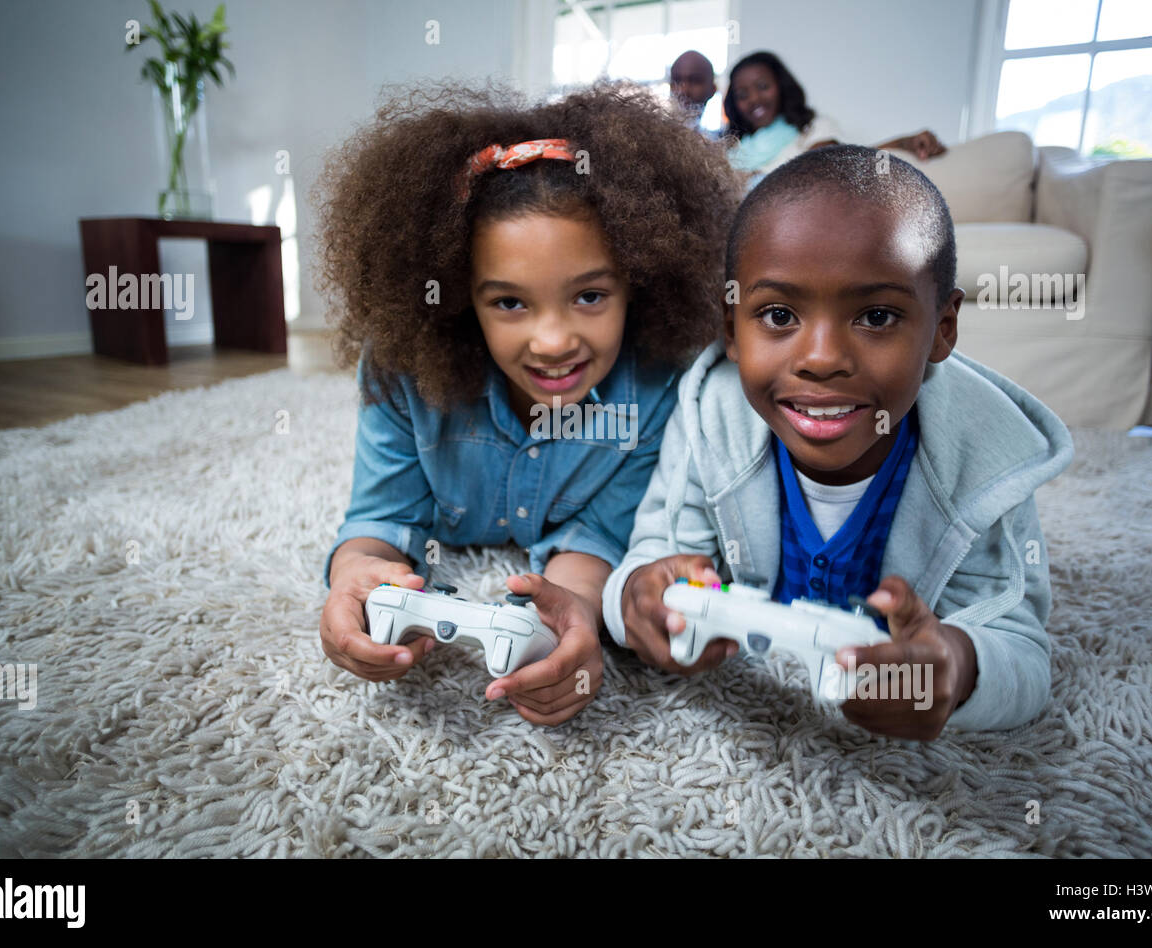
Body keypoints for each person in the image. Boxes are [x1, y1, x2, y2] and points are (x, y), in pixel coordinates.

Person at [602, 144, 1074, 738]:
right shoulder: (709, 416)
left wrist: (954, 667)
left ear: (942, 329)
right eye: (777, 315)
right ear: (731, 331)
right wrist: (634, 604)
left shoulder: (985, 458)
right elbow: (649, 561)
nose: (821, 359)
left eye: (876, 317)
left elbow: (1023, 654)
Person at [315, 82, 739, 726]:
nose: (553, 340)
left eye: (590, 296)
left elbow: (596, 539)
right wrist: (357, 578)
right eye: (510, 302)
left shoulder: (659, 386)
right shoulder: (405, 367)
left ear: (640, 281)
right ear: (461, 296)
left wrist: (570, 614)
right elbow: (381, 518)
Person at [725, 51, 946, 183]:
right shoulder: (733, 152)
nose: (753, 99)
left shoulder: (814, 129)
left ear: (781, 86)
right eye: (742, 95)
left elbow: (831, 167)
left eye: (763, 86)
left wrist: (901, 143)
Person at [669, 49, 723, 140]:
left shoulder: (722, 143)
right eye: (677, 80)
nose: (683, 91)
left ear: (713, 90)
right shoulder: (649, 136)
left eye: (695, 80)